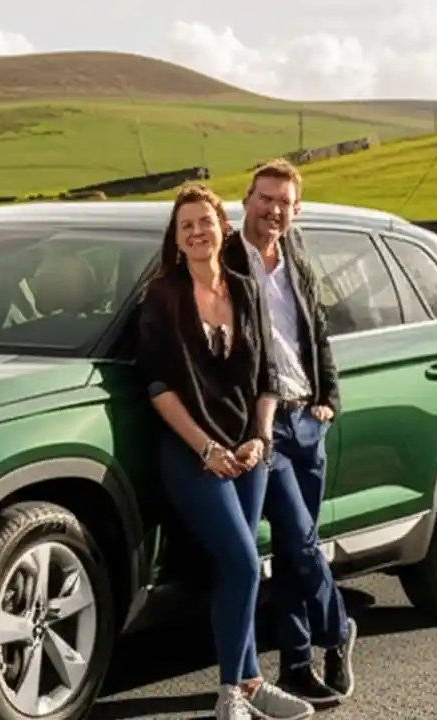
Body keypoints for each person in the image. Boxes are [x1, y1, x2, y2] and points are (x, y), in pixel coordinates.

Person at [136, 183, 314, 720]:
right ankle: (229, 695)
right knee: (240, 562)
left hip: (248, 448)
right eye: (185, 224)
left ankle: (253, 684)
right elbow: (158, 387)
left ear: (223, 228)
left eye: (205, 222)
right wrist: (208, 448)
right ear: (176, 235)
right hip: (193, 453)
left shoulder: (244, 287)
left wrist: (260, 437)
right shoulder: (161, 296)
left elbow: (266, 375)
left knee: (239, 566)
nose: (196, 232)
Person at [238, 159, 357, 706]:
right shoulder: (226, 261)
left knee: (293, 550)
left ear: (296, 209)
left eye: (284, 202)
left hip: (307, 420)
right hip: (261, 426)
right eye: (266, 198)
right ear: (247, 199)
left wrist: (328, 398)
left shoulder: (298, 260)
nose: (274, 210)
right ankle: (339, 628)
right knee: (302, 541)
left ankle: (297, 666)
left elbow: (319, 331)